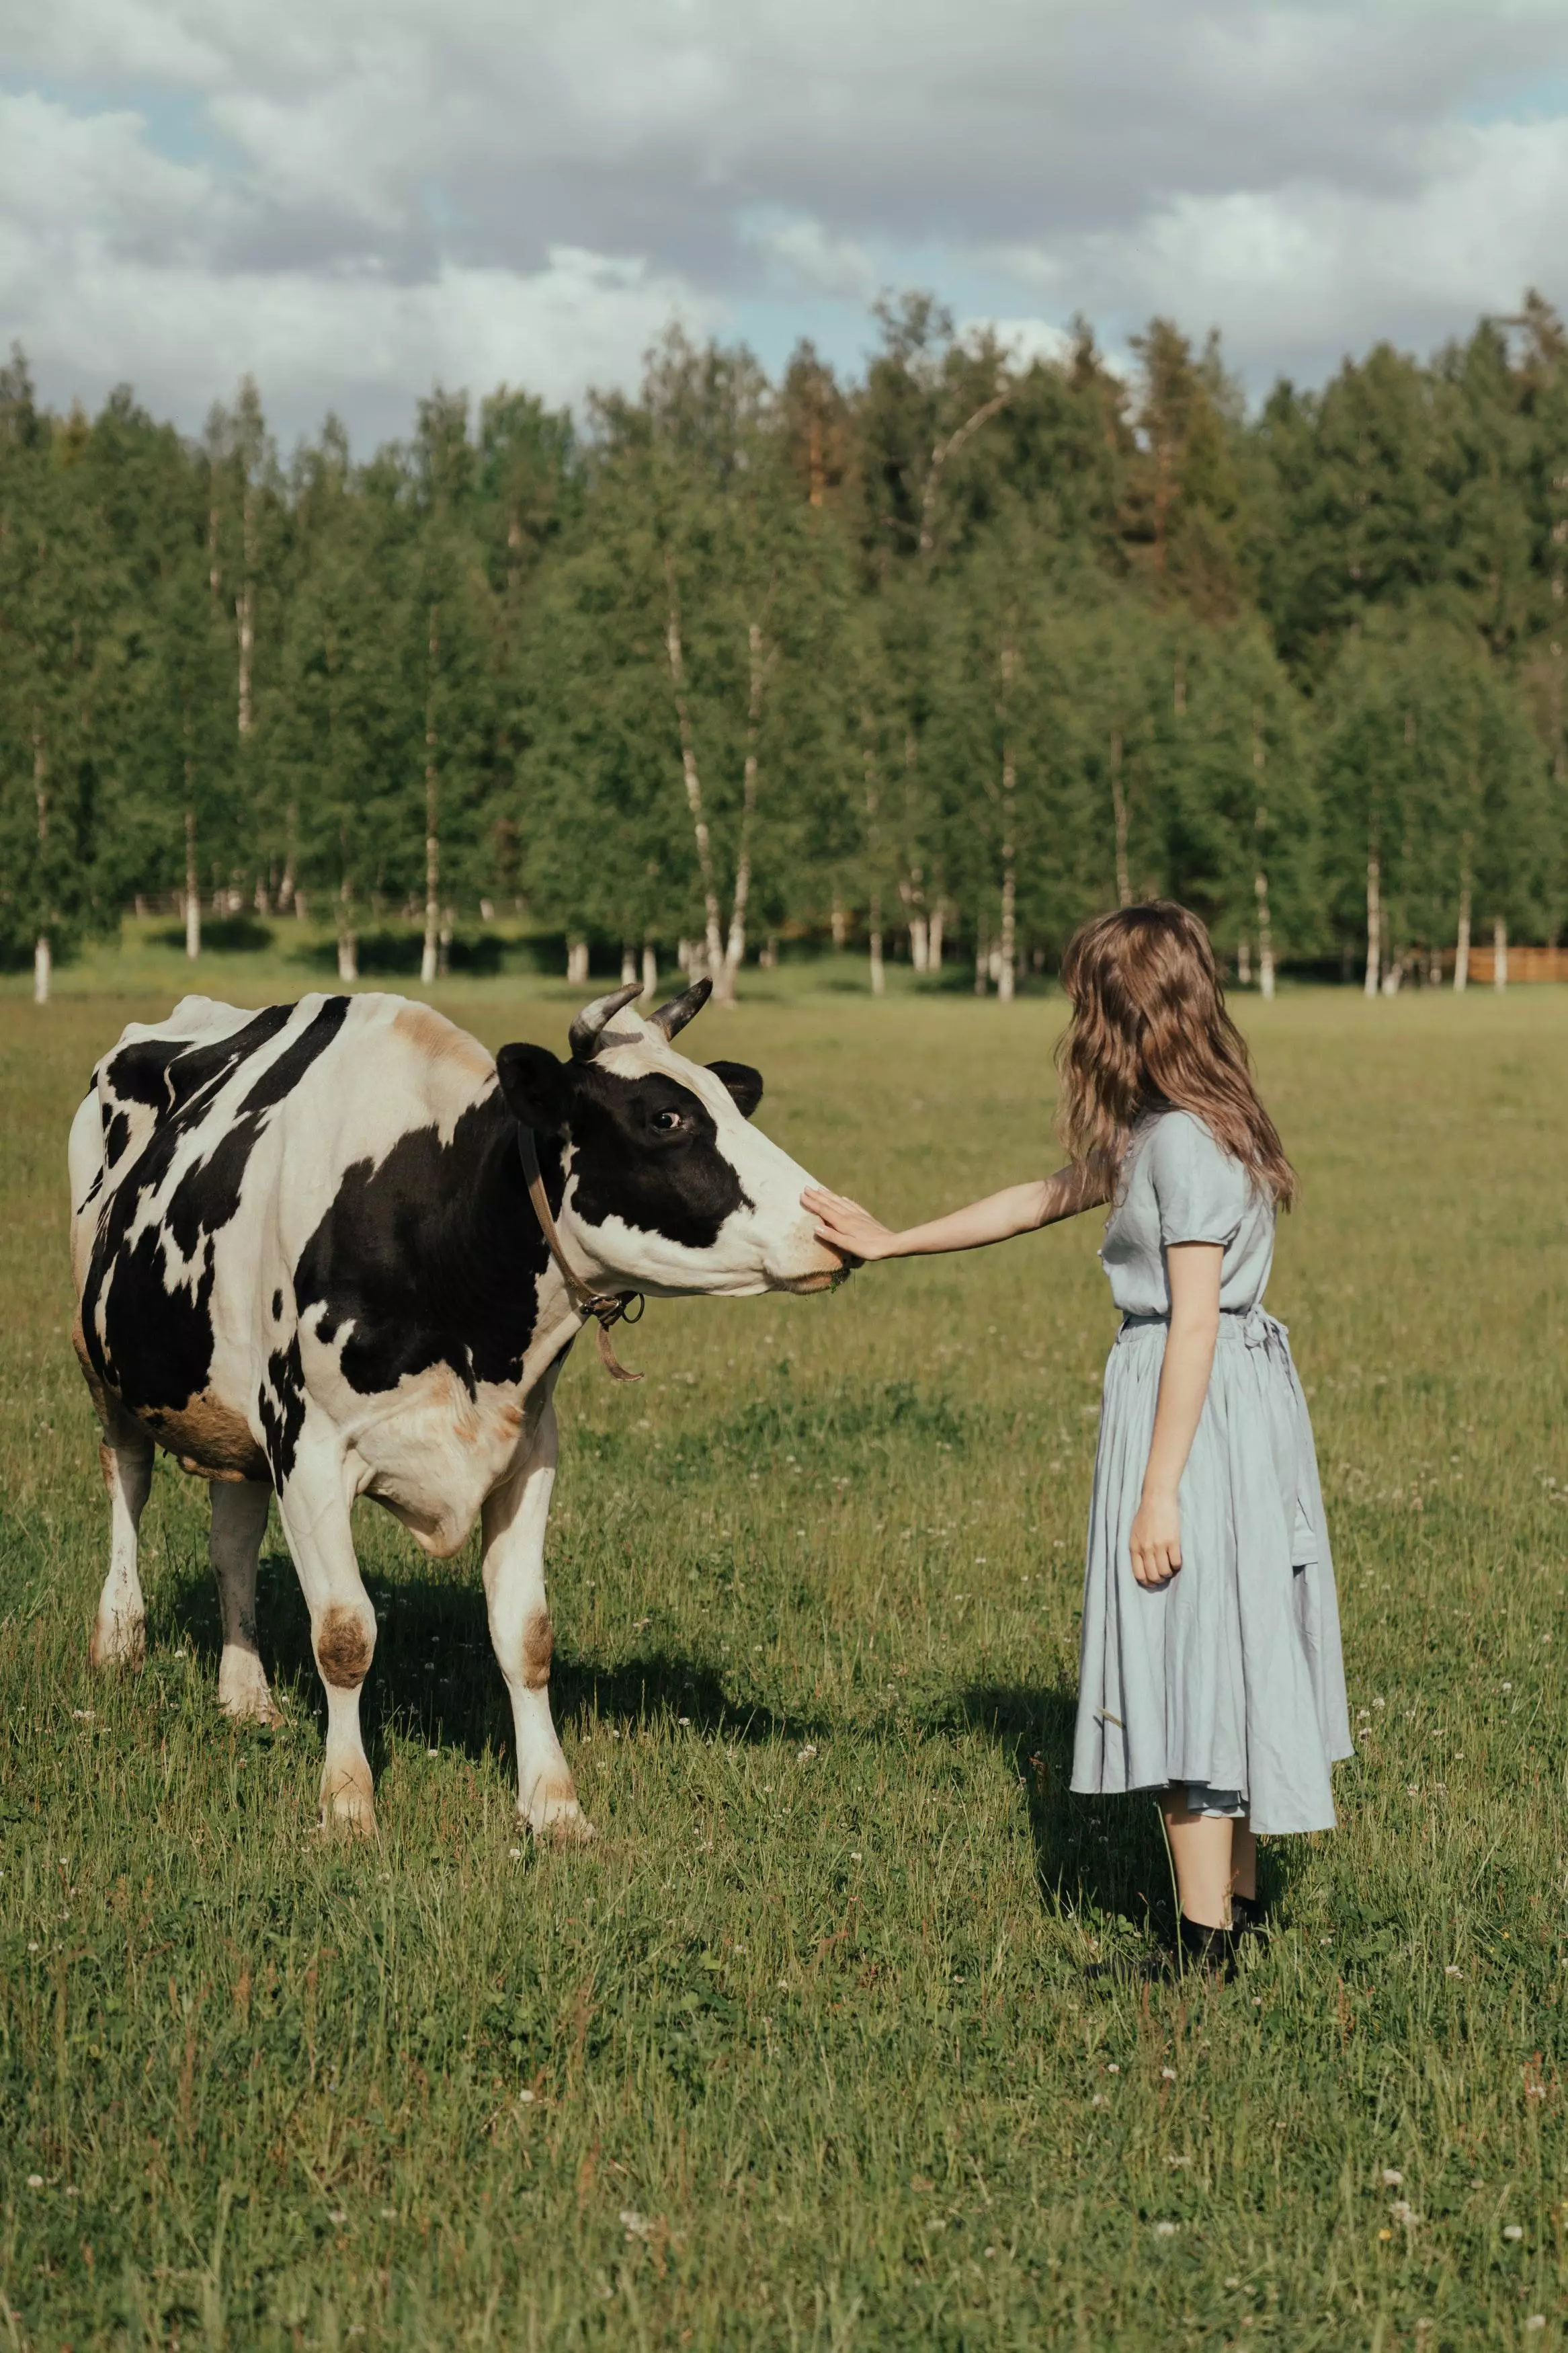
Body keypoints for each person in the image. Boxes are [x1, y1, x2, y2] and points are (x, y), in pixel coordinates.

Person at [804, 901, 1350, 1977]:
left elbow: (1193, 1319)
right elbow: (1041, 1197)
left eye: (1086, 1005)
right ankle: (1231, 1921)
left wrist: (1159, 1492)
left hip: (1194, 1415)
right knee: (1219, 1650)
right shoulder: (1183, 1123)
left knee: (1186, 1656)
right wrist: (896, 1240)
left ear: (1124, 1014)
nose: (1076, 1028)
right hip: (1227, 1406)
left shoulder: (1184, 1143)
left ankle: (1201, 1955)